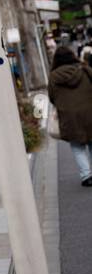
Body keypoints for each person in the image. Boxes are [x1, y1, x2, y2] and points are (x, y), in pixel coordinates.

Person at [48, 46, 92, 187]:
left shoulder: (54, 76)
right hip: (89, 111)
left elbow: (51, 97)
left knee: (77, 146)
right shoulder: (85, 70)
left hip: (68, 116)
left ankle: (86, 175)